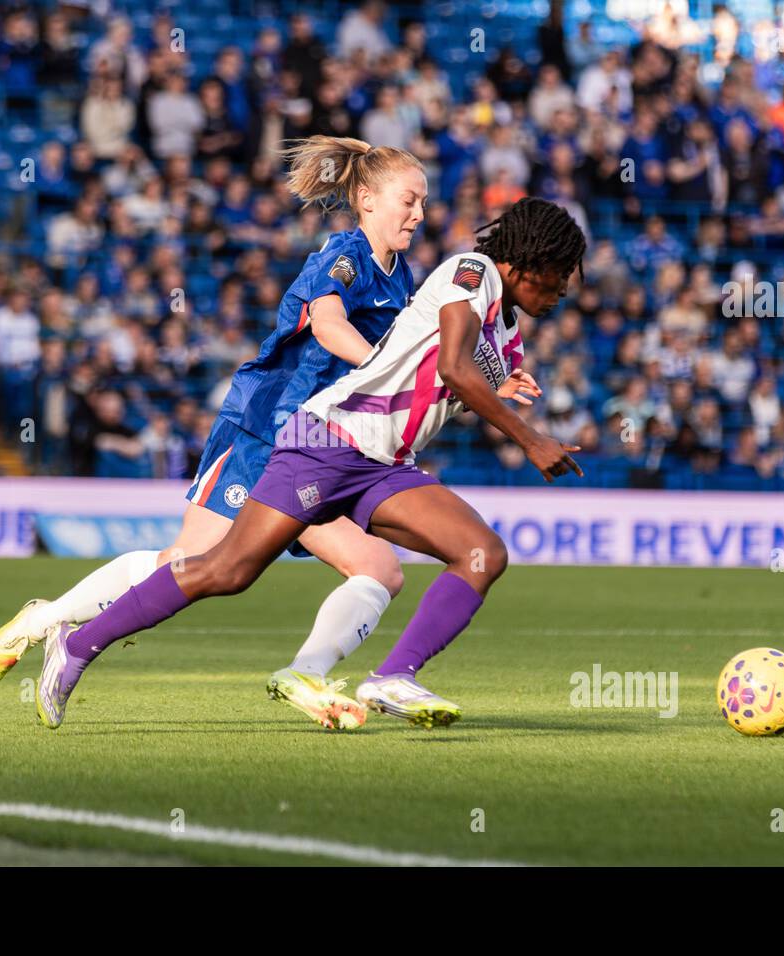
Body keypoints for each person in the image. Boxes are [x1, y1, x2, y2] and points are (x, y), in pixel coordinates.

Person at [33, 197, 586, 730]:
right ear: (527, 261)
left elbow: (444, 385)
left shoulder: (507, 335)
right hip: (329, 438)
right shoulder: (474, 271)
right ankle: (76, 643)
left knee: (481, 552)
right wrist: (531, 439)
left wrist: (496, 387)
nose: (564, 289)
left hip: (384, 463)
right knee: (226, 570)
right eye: (559, 273)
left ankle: (392, 677)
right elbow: (453, 368)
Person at [0, 136, 428, 729]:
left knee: (378, 569)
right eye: (409, 201)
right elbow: (327, 322)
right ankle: (48, 620)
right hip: (265, 431)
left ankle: (307, 676)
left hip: (322, 446)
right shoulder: (342, 256)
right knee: (193, 560)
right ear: (366, 199)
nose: (419, 215)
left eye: (423, 203)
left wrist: (481, 380)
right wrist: (381, 370)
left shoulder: (404, 277)